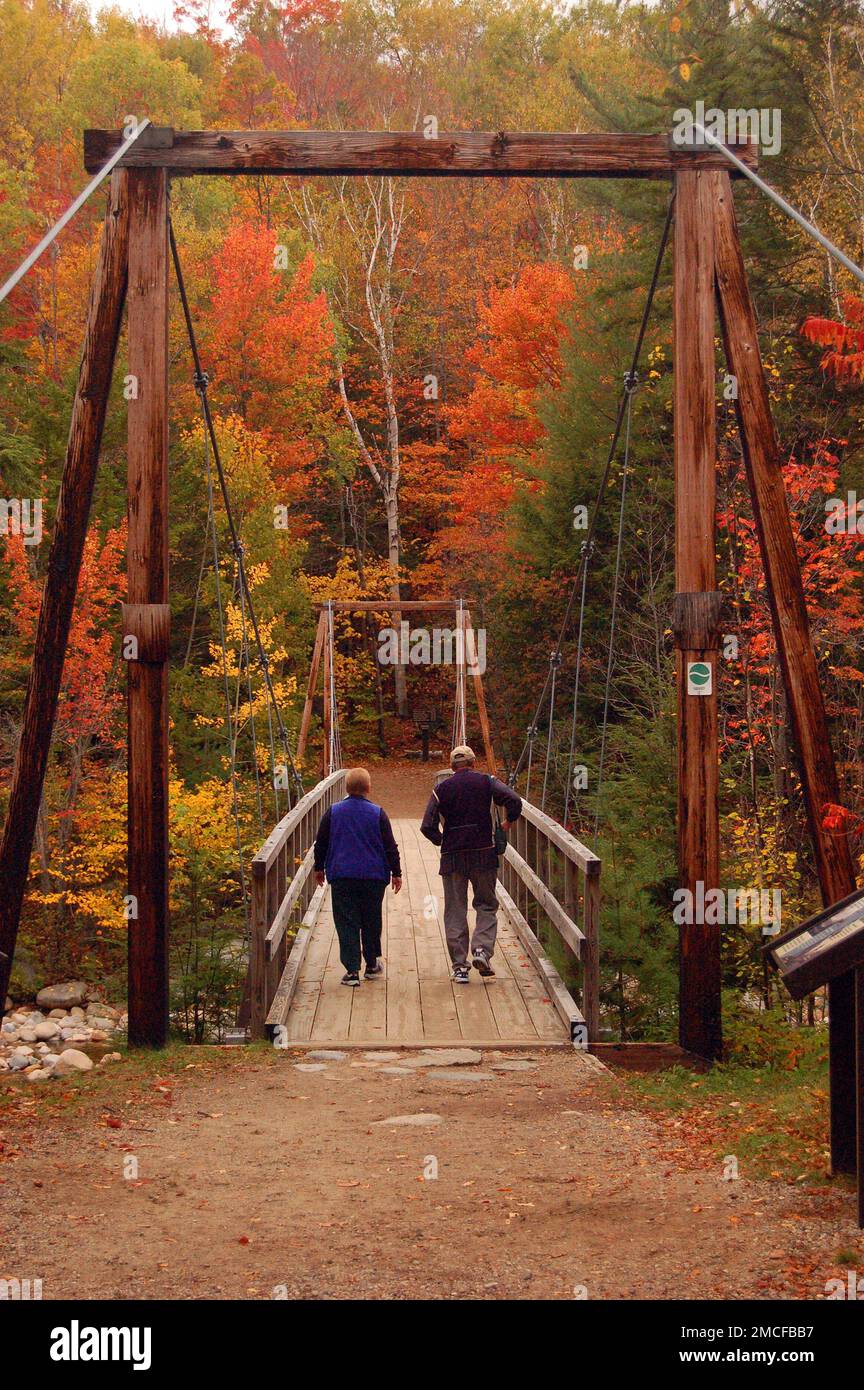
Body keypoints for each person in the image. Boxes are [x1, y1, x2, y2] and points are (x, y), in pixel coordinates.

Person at [420, 745, 522, 984]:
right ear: (473, 763)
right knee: (486, 904)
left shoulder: (441, 789)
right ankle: (481, 951)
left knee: (455, 909)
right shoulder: (487, 782)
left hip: (452, 856)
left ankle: (460, 968)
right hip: (483, 853)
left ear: (453, 767)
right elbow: (514, 800)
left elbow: (427, 825)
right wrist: (507, 823)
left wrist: (442, 839)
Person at [313, 767, 402, 986]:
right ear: (369, 788)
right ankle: (372, 965)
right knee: (371, 919)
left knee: (347, 921)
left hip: (342, 875)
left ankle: (352, 971)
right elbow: (390, 846)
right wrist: (396, 872)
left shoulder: (333, 812)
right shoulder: (378, 813)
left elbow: (321, 842)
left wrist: (319, 867)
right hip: (373, 877)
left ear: (346, 788)